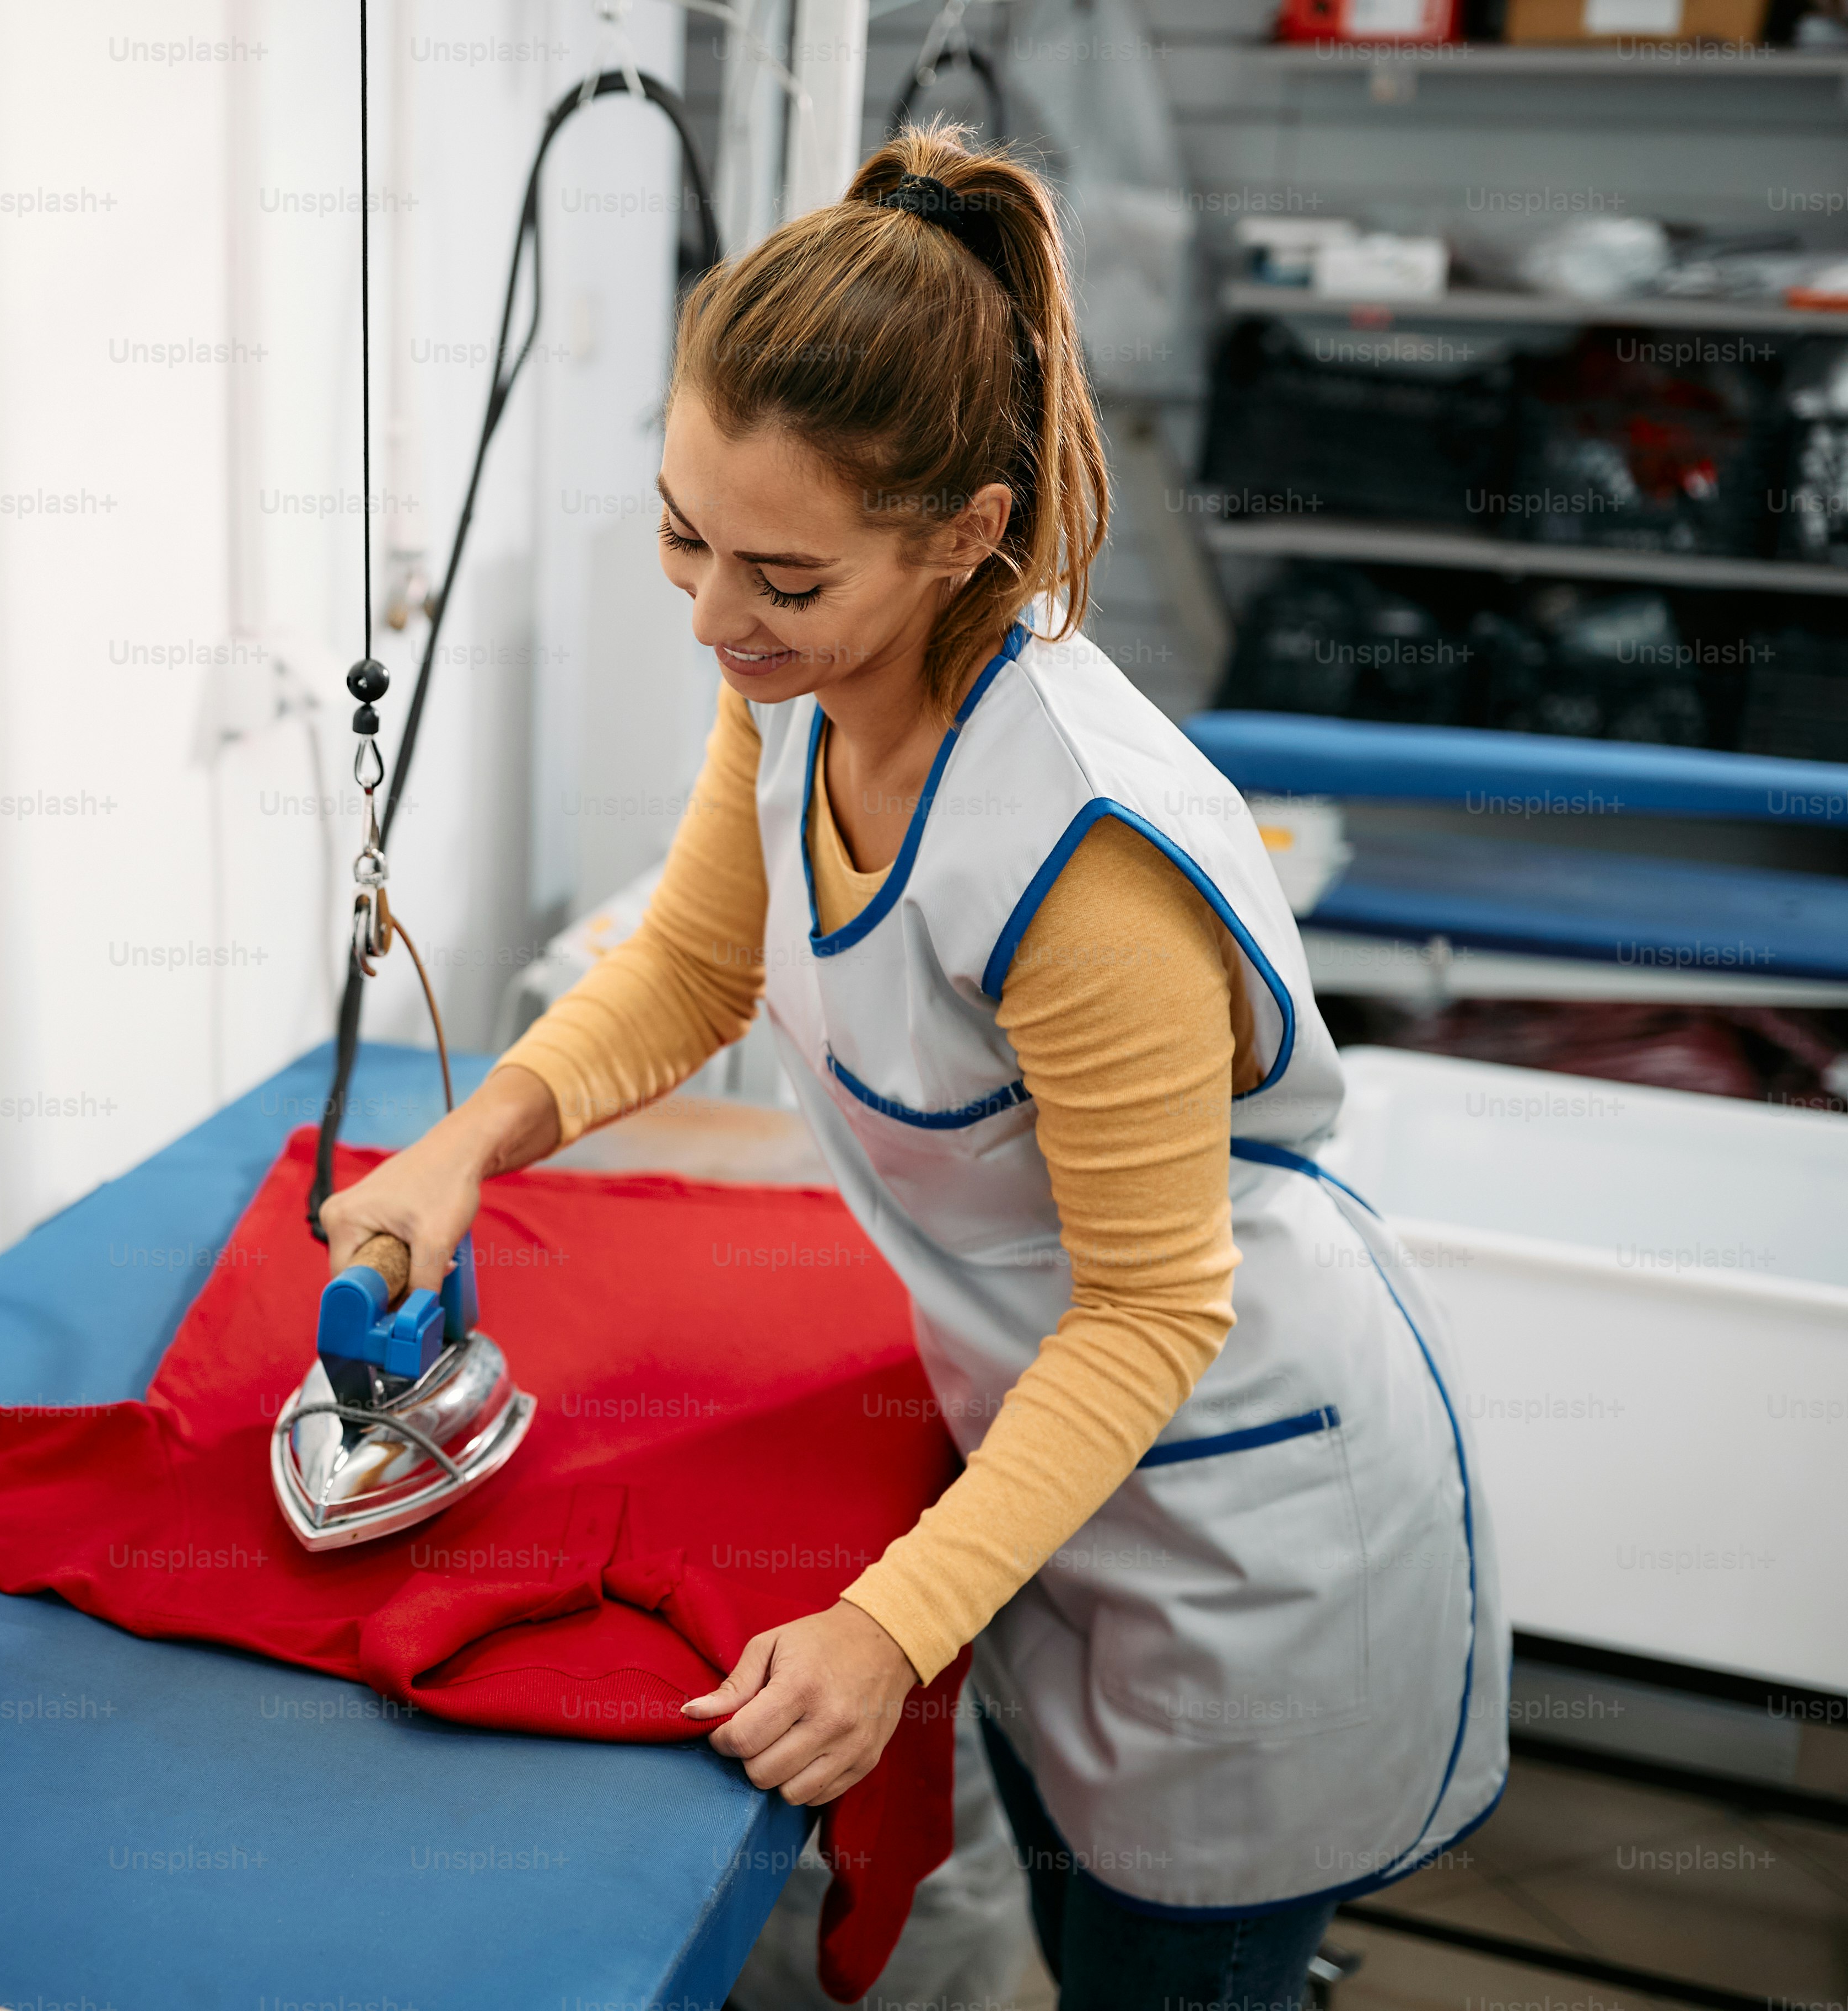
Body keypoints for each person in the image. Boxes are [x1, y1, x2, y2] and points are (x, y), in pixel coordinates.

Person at [318, 123, 1507, 2011]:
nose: (712, 618)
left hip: (1238, 1521)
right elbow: (703, 964)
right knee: (1058, 1910)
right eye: (683, 532)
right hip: (1041, 1461)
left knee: (1171, 1974)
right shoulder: (794, 690)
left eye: (780, 574)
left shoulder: (1078, 847)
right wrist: (470, 1138)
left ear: (965, 531)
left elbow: (1145, 1314)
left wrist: (888, 1623)